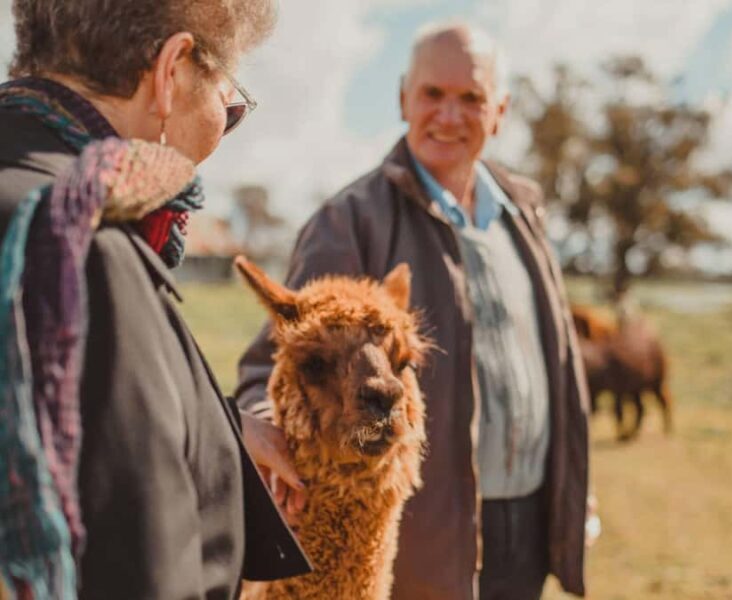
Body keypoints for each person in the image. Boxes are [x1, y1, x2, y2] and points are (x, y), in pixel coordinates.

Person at [236, 21, 591, 600]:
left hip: (526, 522)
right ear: (404, 98)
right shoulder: (352, 219)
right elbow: (276, 362)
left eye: (470, 98)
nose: (449, 115)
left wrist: (572, 489)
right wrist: (279, 444)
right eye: (433, 95)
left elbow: (550, 368)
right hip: (427, 536)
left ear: (499, 110)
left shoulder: (521, 216)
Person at [0, 0, 311, 597]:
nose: (224, 126)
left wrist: (215, 422)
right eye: (231, 103)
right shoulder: (82, 254)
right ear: (171, 71)